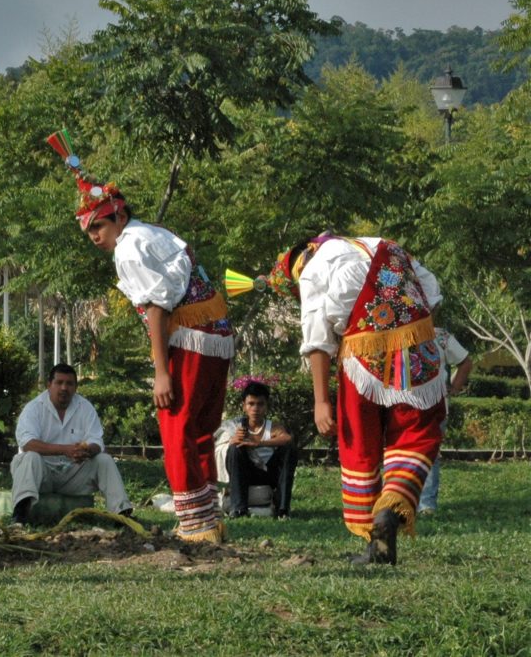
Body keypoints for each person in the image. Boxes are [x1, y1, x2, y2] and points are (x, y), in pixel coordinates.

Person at [52, 137, 232, 543]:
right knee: (200, 428)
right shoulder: (153, 232)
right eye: (89, 231)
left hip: (191, 338)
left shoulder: (130, 248)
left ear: (117, 213)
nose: (95, 236)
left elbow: (156, 309)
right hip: (217, 335)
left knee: (175, 424)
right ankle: (208, 519)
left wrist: (161, 372)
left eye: (98, 225)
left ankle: (196, 523)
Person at [273, 232, 446, 565]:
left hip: (361, 358)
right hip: (418, 349)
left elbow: (318, 339)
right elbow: (432, 293)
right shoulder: (388, 245)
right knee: (415, 435)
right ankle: (392, 505)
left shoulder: (312, 267)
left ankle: (373, 540)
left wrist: (321, 401)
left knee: (360, 445)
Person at [10, 363, 133, 524]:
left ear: (75, 387)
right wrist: (64, 450)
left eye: (69, 384)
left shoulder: (85, 407)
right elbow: (27, 444)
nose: (64, 388)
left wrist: (87, 451)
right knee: (30, 457)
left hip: (72, 473)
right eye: (59, 383)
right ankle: (20, 515)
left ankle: (122, 515)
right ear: (49, 385)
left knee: (104, 460)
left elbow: (97, 441)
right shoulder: (33, 408)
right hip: (41, 475)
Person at [213, 381, 296, 518]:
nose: (255, 409)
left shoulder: (273, 426)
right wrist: (233, 441)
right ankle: (238, 509)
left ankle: (283, 509)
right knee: (235, 448)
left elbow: (287, 439)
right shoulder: (235, 426)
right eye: (251, 404)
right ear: (244, 406)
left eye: (260, 404)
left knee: (289, 449)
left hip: (268, 472)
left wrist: (258, 443)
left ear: (266, 406)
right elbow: (218, 446)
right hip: (244, 472)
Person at [416, 326, 472, 515]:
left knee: (430, 454)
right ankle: (403, 500)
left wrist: (454, 389)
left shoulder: (441, 336)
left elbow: (465, 362)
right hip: (402, 406)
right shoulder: (399, 331)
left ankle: (426, 505)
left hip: (436, 407)